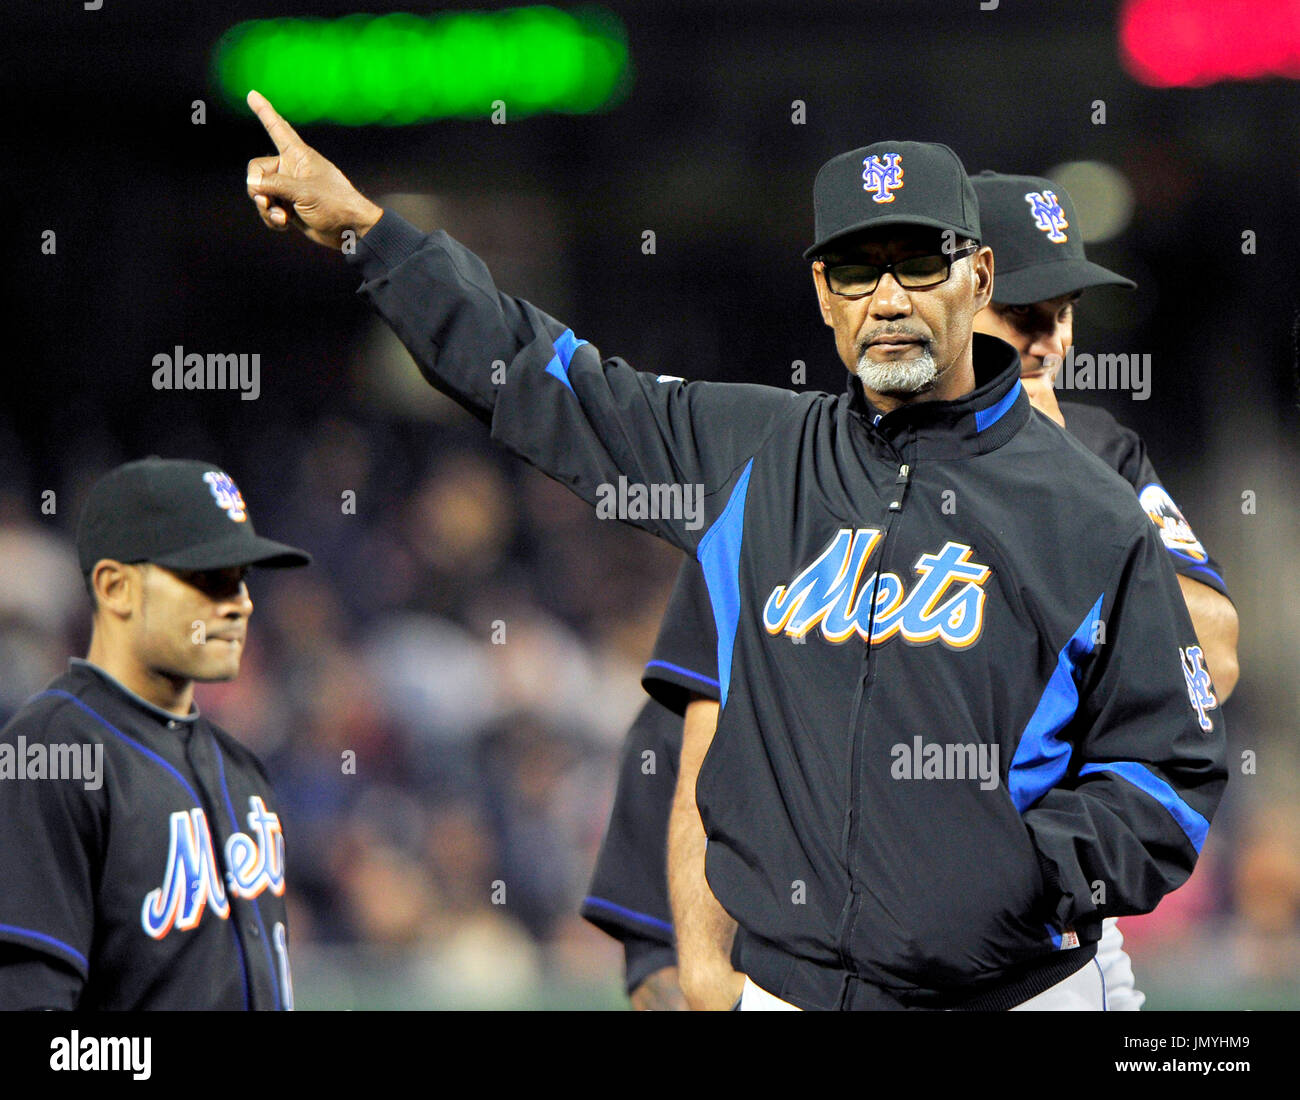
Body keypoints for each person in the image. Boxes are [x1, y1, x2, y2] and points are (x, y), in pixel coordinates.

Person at [245, 94, 1227, 1010]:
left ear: (976, 275)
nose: (886, 297)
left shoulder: (1087, 507)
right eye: (855, 268)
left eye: (916, 261)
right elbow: (542, 377)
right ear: (822, 294)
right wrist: (370, 235)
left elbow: (1171, 774)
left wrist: (1025, 874)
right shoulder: (754, 450)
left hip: (1015, 994)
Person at [585, 170, 1241, 1010]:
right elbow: (708, 717)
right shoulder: (802, 480)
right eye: (1028, 318)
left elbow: (1211, 658)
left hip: (1035, 945)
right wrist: (700, 961)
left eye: (1065, 314)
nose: (1050, 345)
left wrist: (1032, 517)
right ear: (968, 297)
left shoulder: (1095, 463)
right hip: (813, 946)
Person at [0, 457, 311, 1009]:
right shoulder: (50, 754)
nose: (239, 603)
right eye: (208, 578)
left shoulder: (243, 769)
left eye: (240, 578)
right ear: (116, 588)